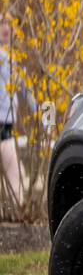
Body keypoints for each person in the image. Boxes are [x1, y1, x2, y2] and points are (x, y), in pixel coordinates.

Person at [0, 16, 31, 208]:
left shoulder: (13, 59)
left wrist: (46, 118)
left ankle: (16, 209)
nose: (6, 28)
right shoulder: (8, 59)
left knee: (14, 171)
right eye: (2, 23)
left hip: (6, 125)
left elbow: (26, 90)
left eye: (9, 24)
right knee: (14, 171)